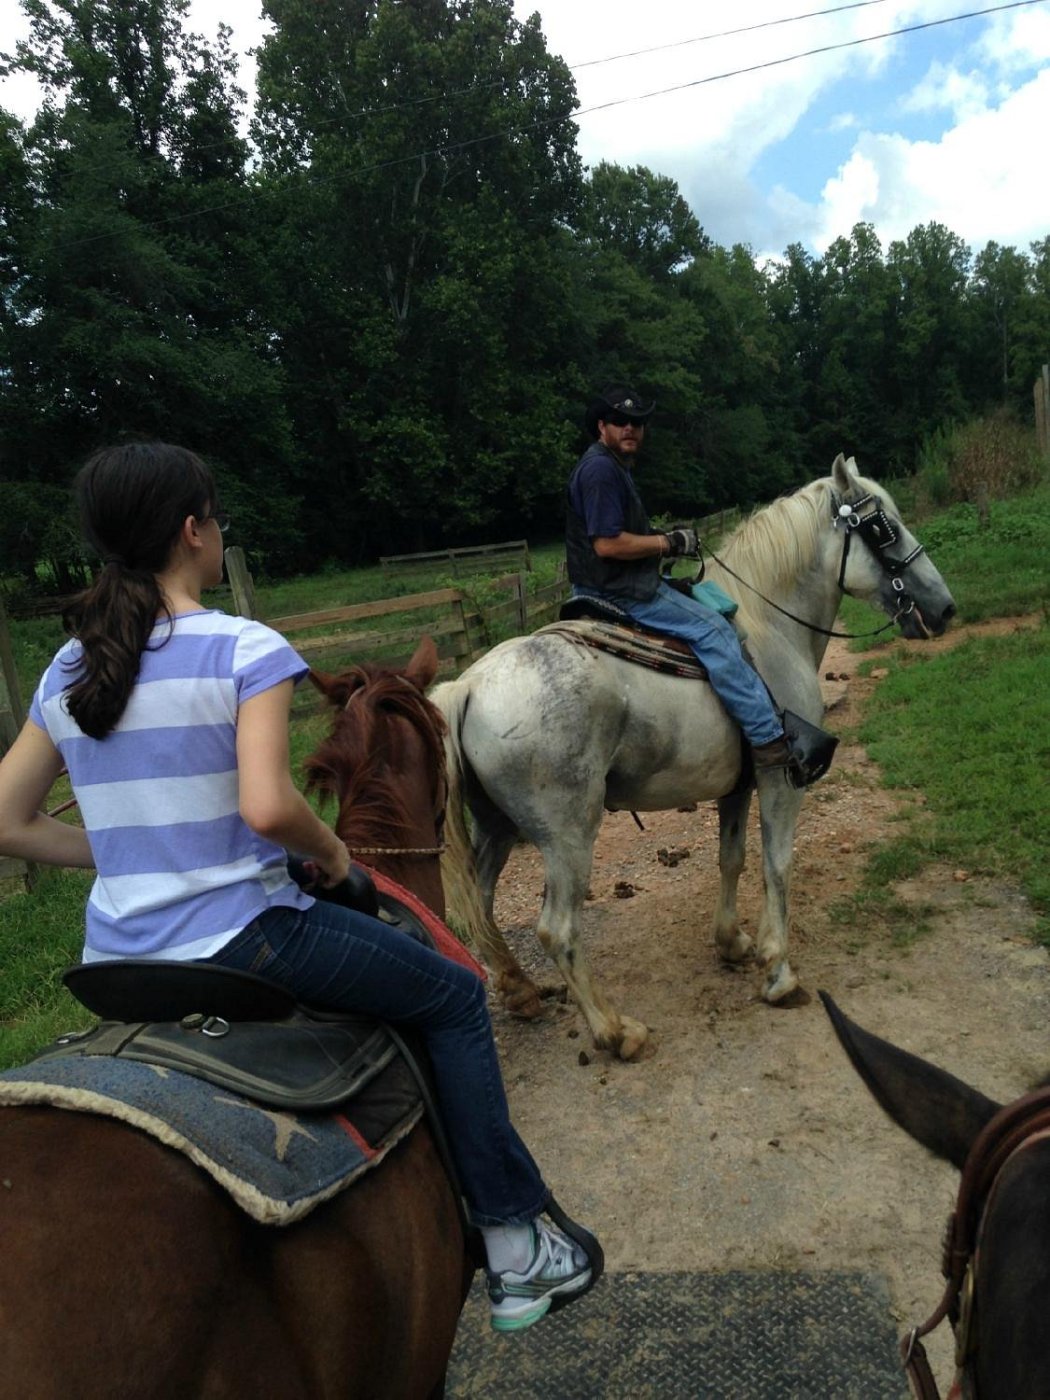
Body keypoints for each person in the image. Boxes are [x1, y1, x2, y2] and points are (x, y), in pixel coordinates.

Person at [0, 441, 600, 1334]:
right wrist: (335, 857)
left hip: (114, 958)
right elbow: (269, 806)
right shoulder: (245, 647)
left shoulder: (70, 668)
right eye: (216, 519)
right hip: (245, 938)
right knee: (457, 995)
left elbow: (8, 820)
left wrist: (131, 855)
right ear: (193, 531)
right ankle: (516, 1242)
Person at [566, 384, 831, 783]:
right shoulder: (601, 470)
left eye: (638, 422)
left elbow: (619, 533)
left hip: (610, 584)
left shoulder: (609, 467)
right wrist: (667, 542)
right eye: (621, 421)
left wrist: (664, 539)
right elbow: (607, 543)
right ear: (602, 426)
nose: (631, 429)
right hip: (623, 592)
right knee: (717, 631)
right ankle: (769, 740)